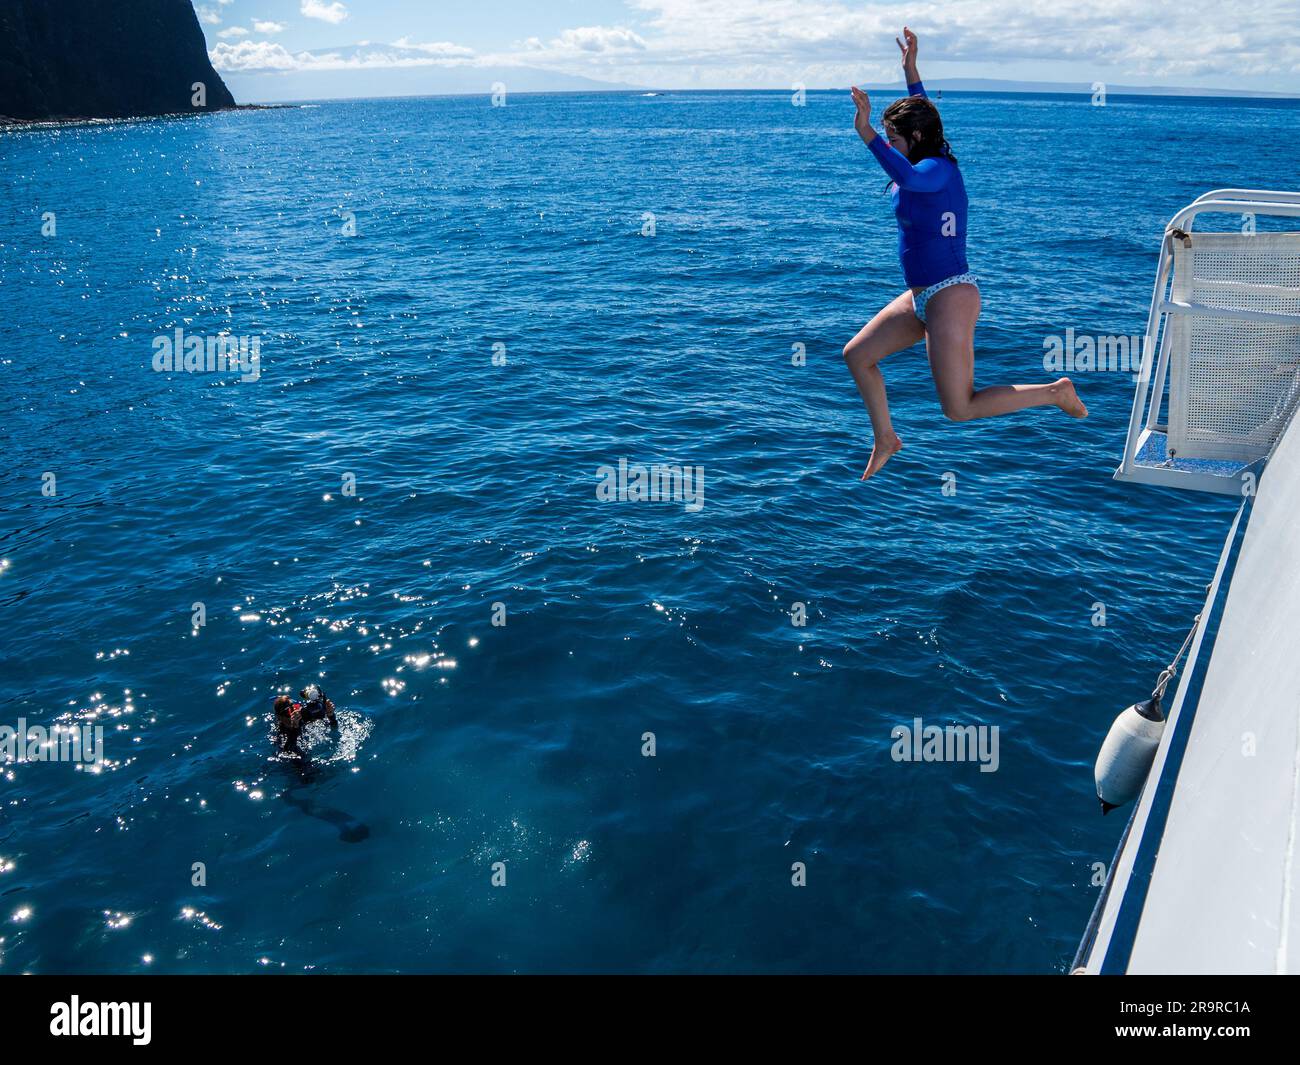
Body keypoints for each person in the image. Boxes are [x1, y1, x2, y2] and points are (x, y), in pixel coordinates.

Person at [844, 26, 1087, 480]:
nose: (891, 147)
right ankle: (885, 439)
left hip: (950, 294)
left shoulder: (936, 170)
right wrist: (911, 70)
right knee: (857, 355)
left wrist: (866, 135)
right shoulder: (923, 153)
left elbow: (912, 179)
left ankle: (1054, 391)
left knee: (959, 408)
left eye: (895, 139)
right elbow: (924, 115)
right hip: (922, 295)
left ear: (914, 139)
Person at [273, 684, 337, 755]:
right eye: (288, 711)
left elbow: (333, 728)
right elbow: (287, 751)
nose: (294, 713)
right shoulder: (282, 733)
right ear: (279, 717)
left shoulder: (303, 716)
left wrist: (330, 715)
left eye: (295, 707)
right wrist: (295, 728)